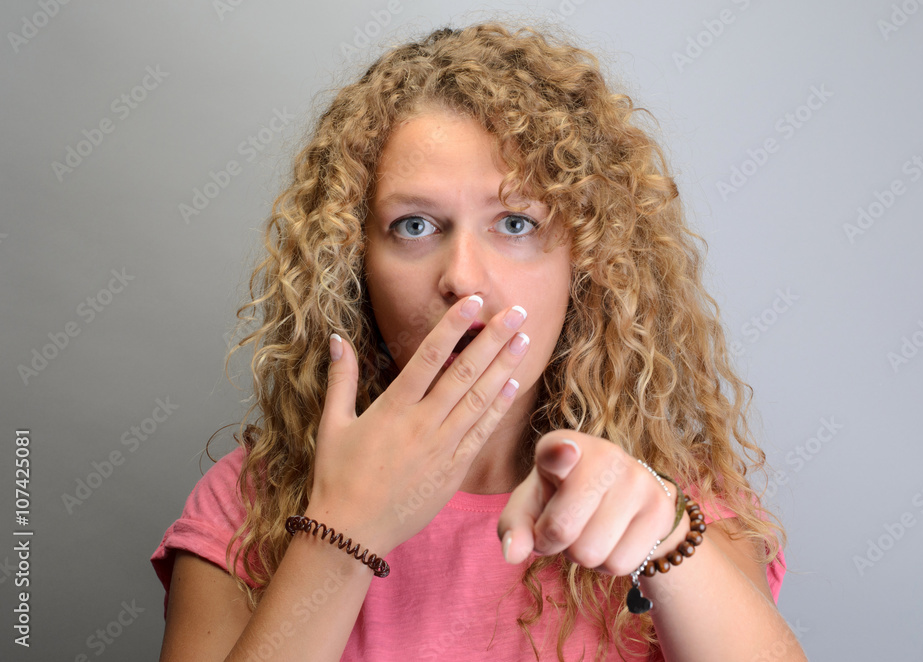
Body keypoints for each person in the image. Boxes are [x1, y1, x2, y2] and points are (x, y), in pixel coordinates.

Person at [151, 21, 806, 661]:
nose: (462, 278)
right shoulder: (246, 503)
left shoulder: (676, 502)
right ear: (354, 262)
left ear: (587, 261)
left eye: (516, 222)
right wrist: (342, 532)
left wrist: (663, 538)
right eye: (414, 224)